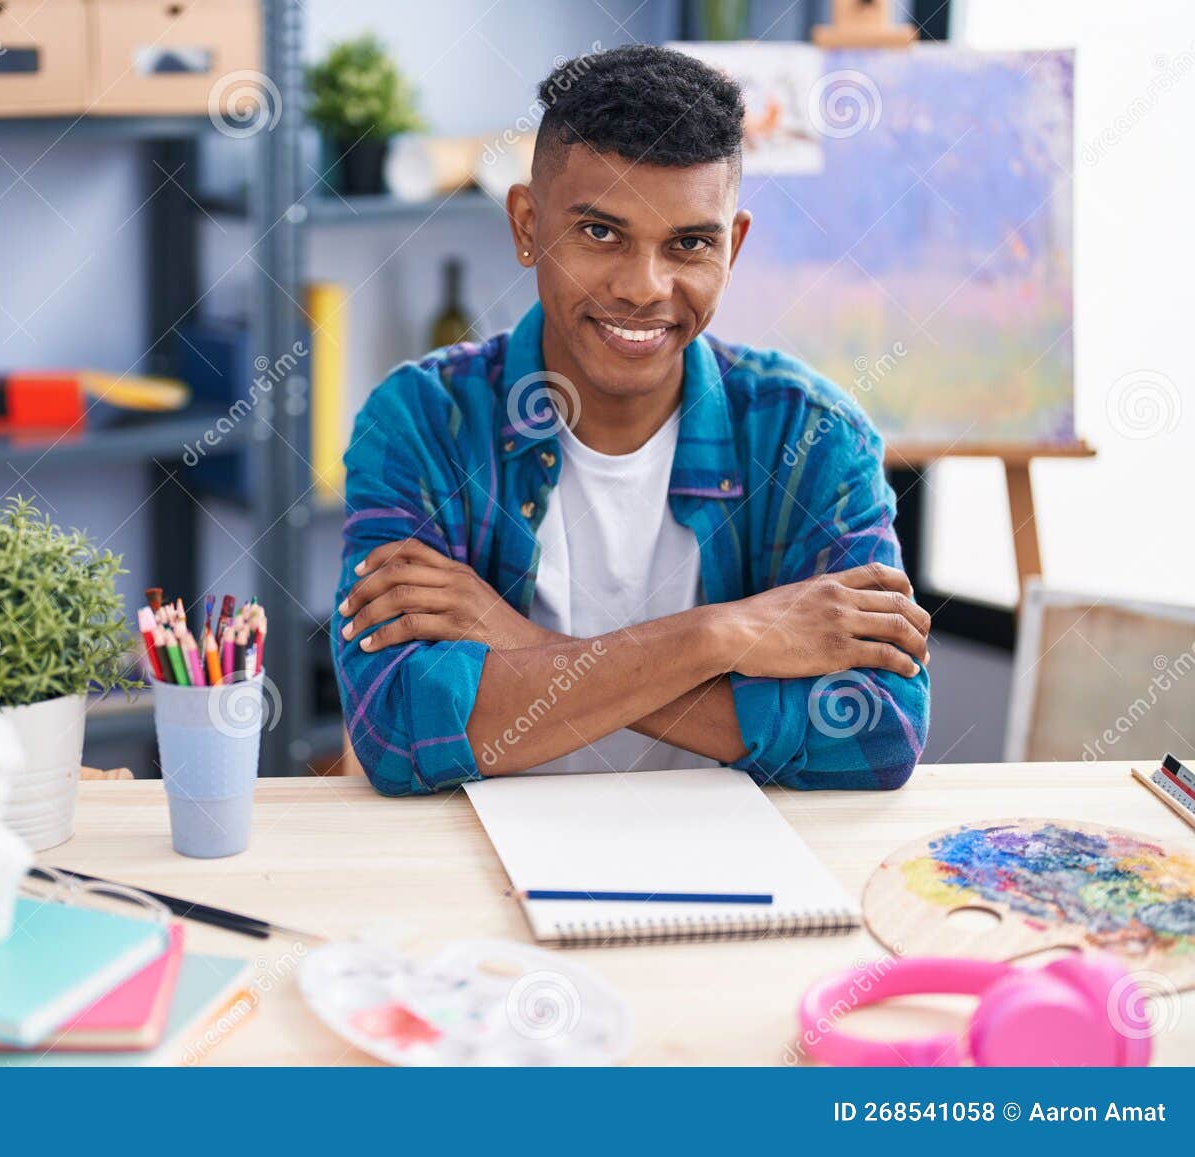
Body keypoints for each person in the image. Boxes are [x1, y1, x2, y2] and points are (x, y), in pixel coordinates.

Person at [332, 44, 930, 797]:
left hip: (741, 871)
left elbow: (879, 734)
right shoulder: (420, 421)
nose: (645, 288)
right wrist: (723, 635)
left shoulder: (813, 435)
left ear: (733, 246)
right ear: (526, 224)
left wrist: (522, 647)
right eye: (600, 233)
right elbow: (395, 728)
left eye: (689, 244)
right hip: (477, 862)